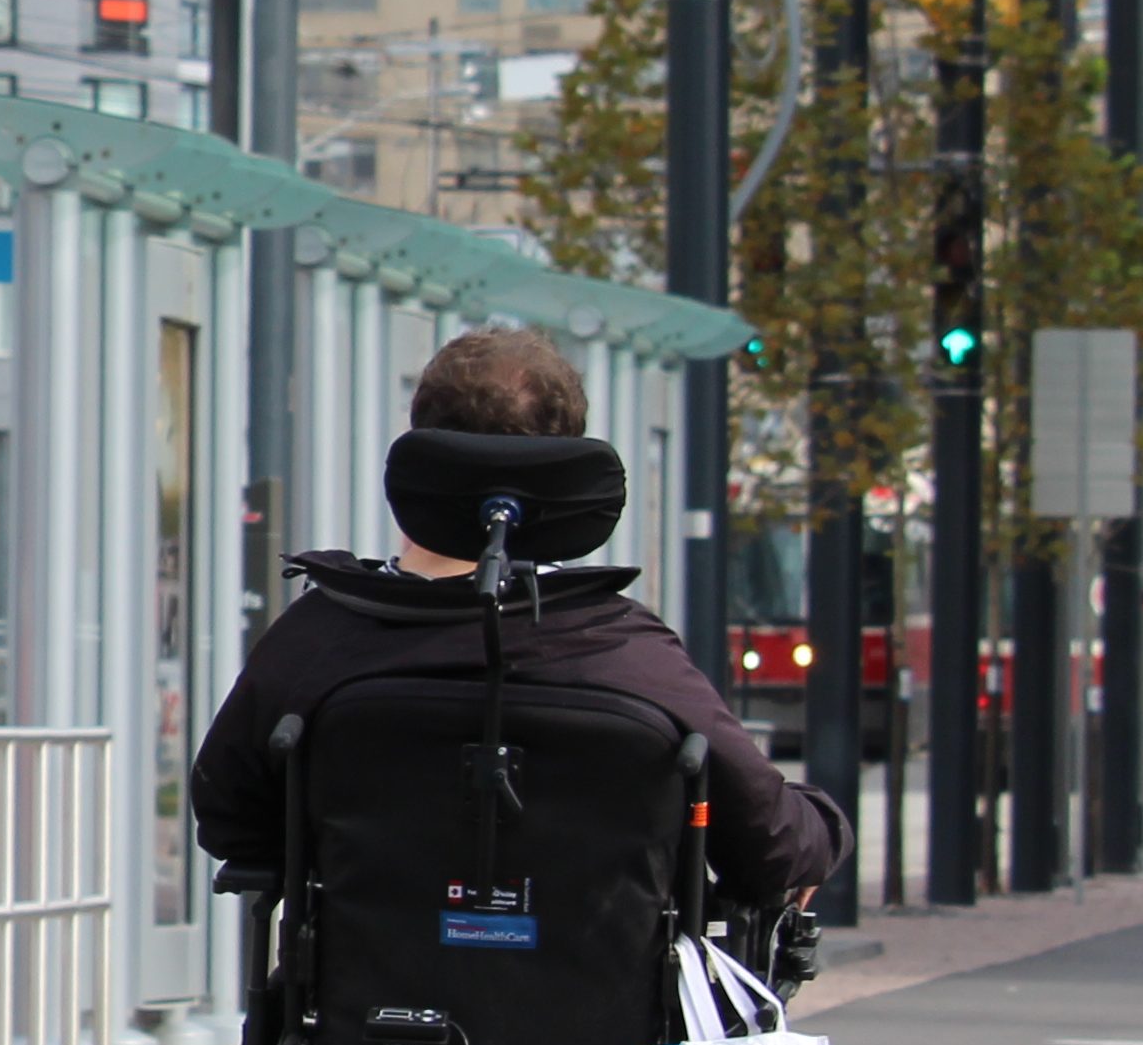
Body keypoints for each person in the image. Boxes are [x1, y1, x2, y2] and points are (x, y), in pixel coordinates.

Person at [190, 326, 848, 913]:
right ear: (564, 473)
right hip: (597, 1035)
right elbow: (771, 844)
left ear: (419, 457)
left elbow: (228, 817)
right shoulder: (629, 655)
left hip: (352, 1024)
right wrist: (825, 823)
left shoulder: (318, 637)